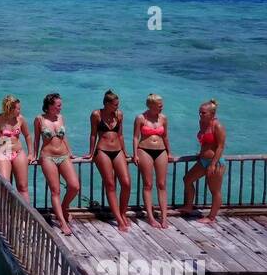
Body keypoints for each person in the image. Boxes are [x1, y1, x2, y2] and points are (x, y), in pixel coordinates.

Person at [33, 93, 81, 236]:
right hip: (47, 157)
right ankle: (62, 222)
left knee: (74, 186)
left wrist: (70, 152)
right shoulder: (39, 119)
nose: (61, 107)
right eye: (58, 105)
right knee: (56, 191)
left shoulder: (61, 118)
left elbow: (63, 137)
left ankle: (64, 207)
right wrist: (34, 155)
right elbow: (36, 139)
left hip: (64, 155)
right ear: (50, 106)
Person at [88, 90, 132, 232]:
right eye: (114, 105)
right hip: (102, 150)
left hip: (118, 150)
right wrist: (90, 153)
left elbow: (120, 135)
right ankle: (118, 219)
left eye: (118, 105)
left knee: (126, 183)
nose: (117, 107)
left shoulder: (119, 115)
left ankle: (123, 213)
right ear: (107, 104)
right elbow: (93, 134)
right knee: (110, 184)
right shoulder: (96, 114)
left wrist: (125, 152)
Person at [178, 99, 227, 224]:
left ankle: (211, 217)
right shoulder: (202, 123)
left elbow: (220, 147)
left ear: (212, 114)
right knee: (187, 179)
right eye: (200, 112)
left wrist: (212, 164)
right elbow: (205, 141)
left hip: (215, 162)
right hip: (203, 160)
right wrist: (201, 154)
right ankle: (189, 206)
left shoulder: (218, 126)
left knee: (215, 190)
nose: (200, 115)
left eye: (203, 113)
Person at [132, 93, 174, 229]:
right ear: (151, 105)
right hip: (144, 150)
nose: (162, 107)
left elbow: (166, 136)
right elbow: (135, 137)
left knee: (162, 184)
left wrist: (169, 152)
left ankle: (164, 217)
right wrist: (134, 154)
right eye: (159, 105)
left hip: (161, 150)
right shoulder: (140, 118)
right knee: (148, 184)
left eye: (162, 105)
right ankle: (150, 217)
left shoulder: (164, 118)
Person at [0, 95, 35, 202]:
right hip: (2, 153)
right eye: (18, 108)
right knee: (6, 185)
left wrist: (31, 153)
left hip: (18, 152)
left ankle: (25, 216)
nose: (19, 111)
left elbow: (28, 136)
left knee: (23, 187)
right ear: (10, 109)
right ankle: (8, 213)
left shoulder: (20, 119)